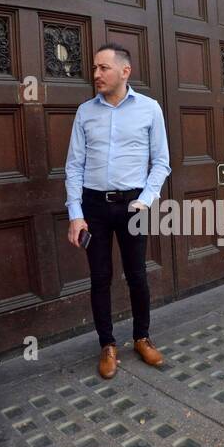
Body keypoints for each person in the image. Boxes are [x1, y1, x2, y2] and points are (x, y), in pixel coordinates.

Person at [65, 43, 171, 380]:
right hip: (94, 207)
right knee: (100, 277)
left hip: (133, 205)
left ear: (125, 71)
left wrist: (147, 198)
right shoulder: (85, 112)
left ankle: (142, 337)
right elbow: (73, 167)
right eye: (94, 68)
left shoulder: (149, 109)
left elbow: (162, 163)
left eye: (103, 68)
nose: (96, 74)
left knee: (137, 274)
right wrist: (75, 213)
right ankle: (107, 345)